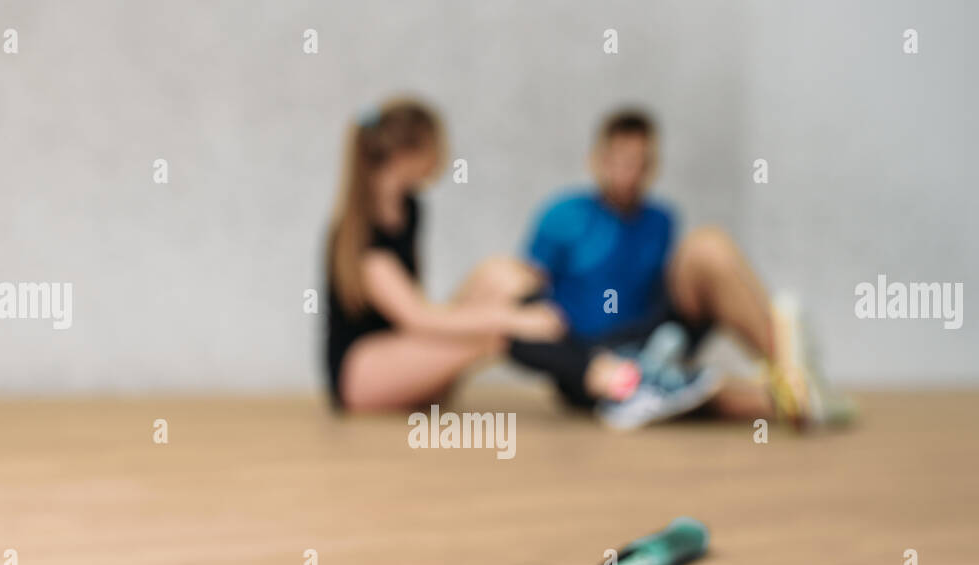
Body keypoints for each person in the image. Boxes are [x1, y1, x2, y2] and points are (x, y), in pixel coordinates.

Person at [509, 108, 852, 429]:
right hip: (591, 356)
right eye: (619, 162)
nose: (629, 175)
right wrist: (582, 365)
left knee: (708, 246)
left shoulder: (661, 220)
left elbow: (671, 295)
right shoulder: (561, 216)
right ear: (597, 161)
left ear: (652, 166)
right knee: (735, 400)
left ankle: (788, 368)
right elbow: (522, 307)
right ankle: (790, 399)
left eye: (639, 164)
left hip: (653, 340)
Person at [323, 98, 570, 411]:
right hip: (361, 374)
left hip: (403, 348)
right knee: (493, 334)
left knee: (501, 275)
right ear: (404, 154)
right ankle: (591, 376)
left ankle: (587, 356)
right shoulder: (361, 234)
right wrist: (514, 319)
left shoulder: (410, 208)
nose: (443, 155)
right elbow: (418, 317)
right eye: (434, 145)